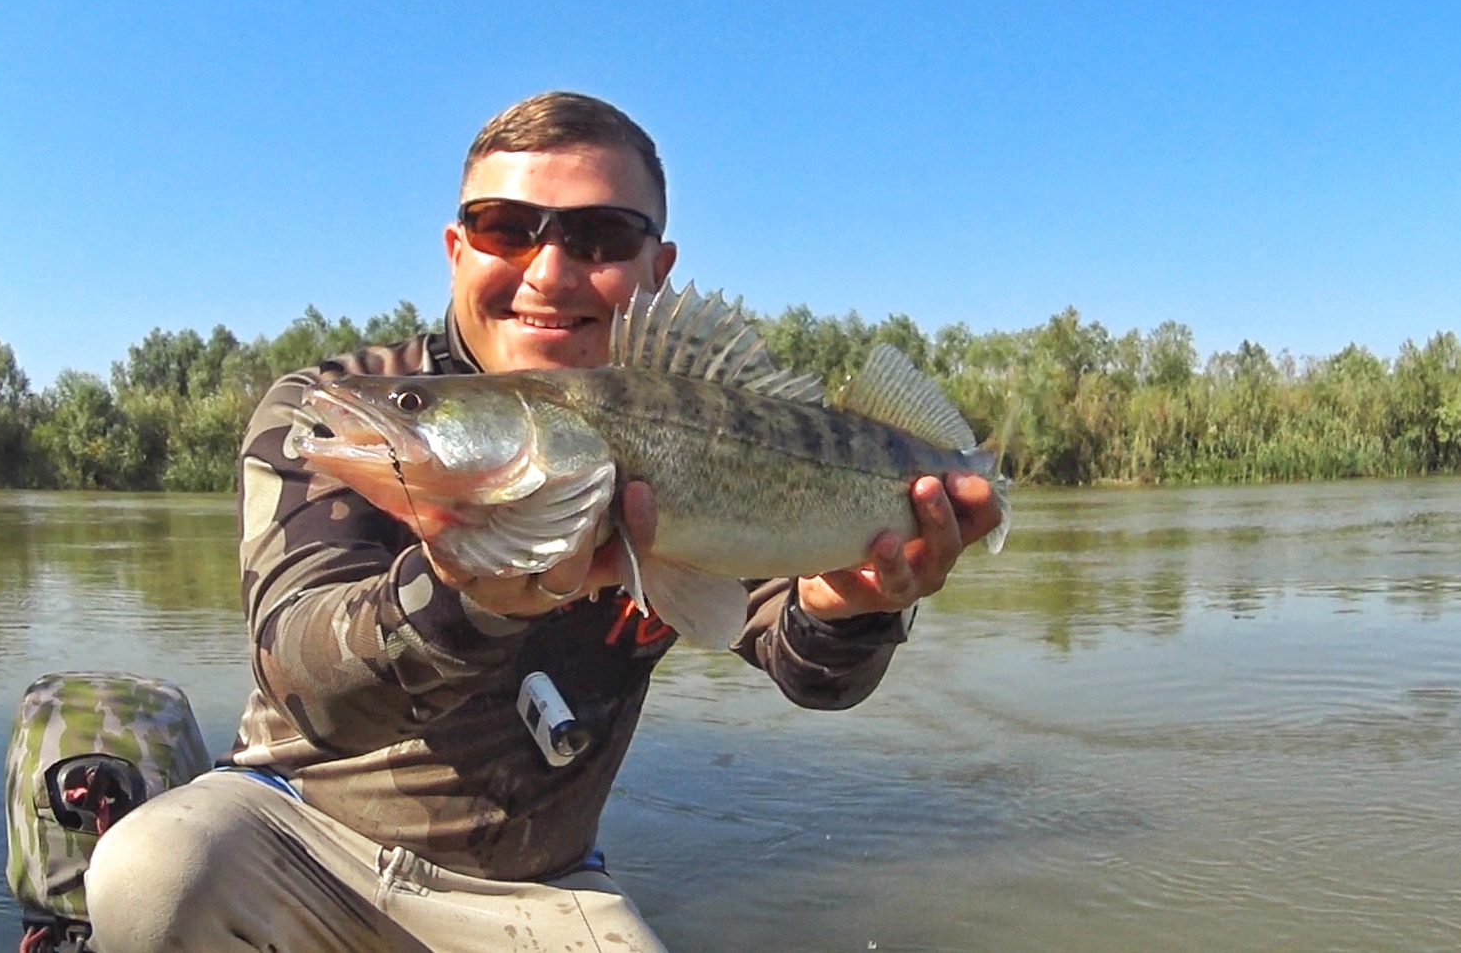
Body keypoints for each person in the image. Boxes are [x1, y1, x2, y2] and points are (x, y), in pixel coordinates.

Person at [85, 91, 1002, 952]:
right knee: (152, 872)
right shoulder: (327, 410)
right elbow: (302, 673)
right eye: (506, 228)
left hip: (537, 885)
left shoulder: (692, 420)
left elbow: (808, 670)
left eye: (602, 233)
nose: (549, 269)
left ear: (658, 267)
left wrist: (855, 607)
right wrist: (468, 596)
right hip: (294, 835)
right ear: (457, 248)